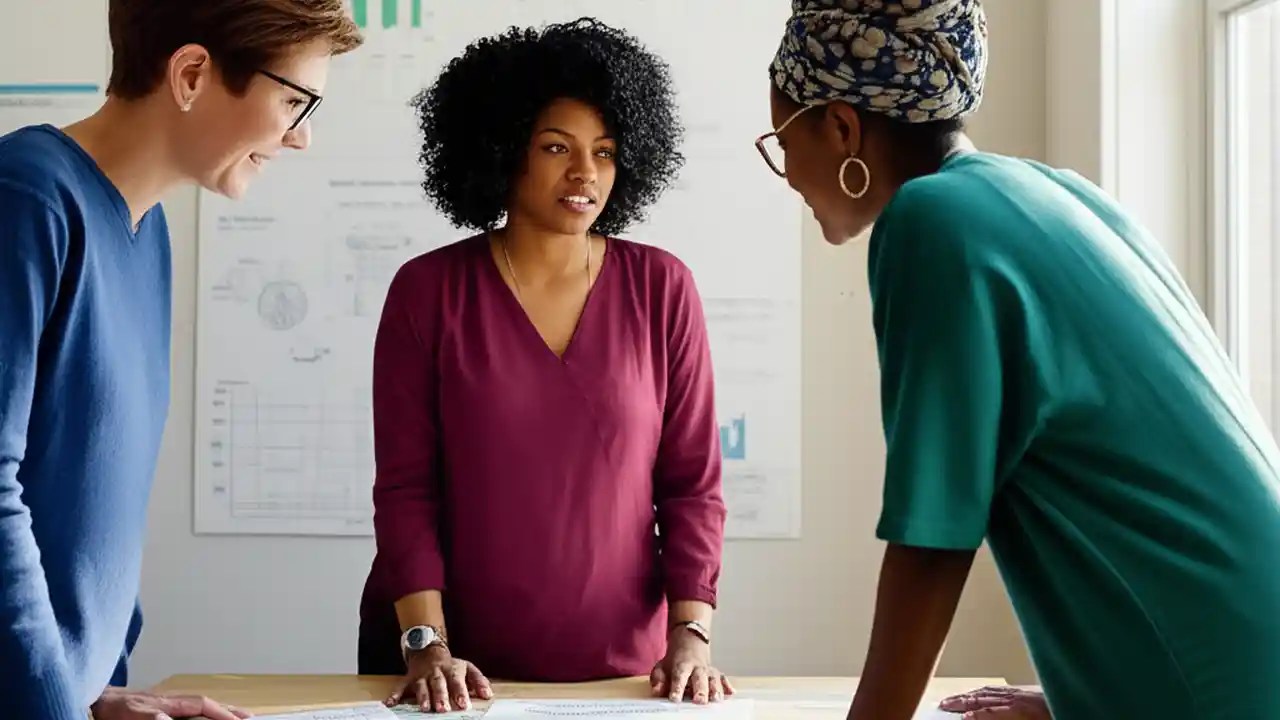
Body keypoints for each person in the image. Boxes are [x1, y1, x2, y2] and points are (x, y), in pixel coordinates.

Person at [757, 1, 1280, 719]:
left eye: (783, 141)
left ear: (843, 128)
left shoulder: (930, 220)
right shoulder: (1058, 192)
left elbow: (933, 536)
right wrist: (1085, 692)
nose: (786, 173)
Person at [357, 18, 731, 714]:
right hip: (453, 674)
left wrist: (692, 635)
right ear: (503, 150)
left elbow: (692, 487)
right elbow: (406, 490)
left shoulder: (662, 287)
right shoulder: (429, 291)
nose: (585, 173)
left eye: (605, 151)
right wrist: (426, 646)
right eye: (556, 147)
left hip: (627, 673)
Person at [0, 2, 362, 719]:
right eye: (293, 101)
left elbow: (84, 502)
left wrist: (96, 694)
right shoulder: (28, 200)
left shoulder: (148, 232)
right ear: (192, 74)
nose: (301, 136)